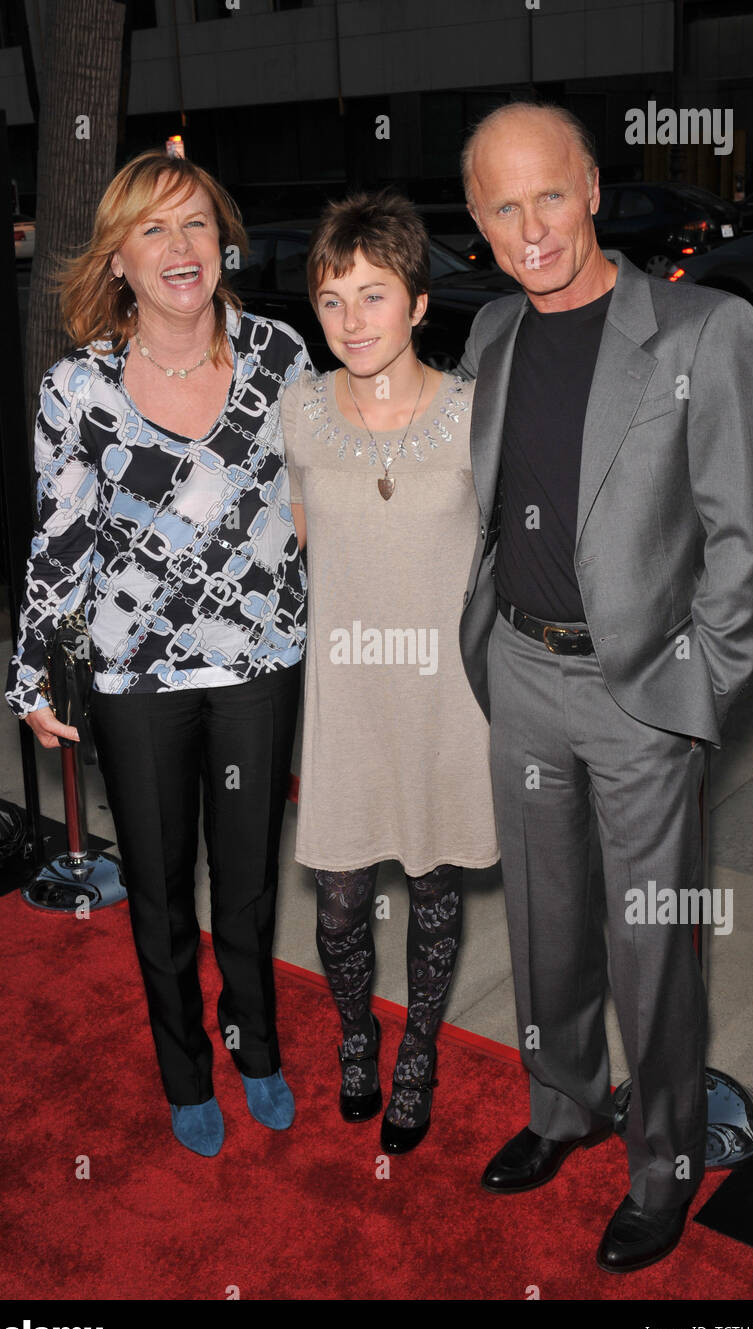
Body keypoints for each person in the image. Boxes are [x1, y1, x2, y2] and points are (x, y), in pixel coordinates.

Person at [457, 102, 753, 1270]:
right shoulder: (492, 331)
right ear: (480, 223)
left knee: (652, 948)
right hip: (522, 669)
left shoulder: (705, 331)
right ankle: (561, 1107)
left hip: (641, 691)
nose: (529, 224)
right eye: (501, 204)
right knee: (547, 929)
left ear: (593, 189)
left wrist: (690, 697)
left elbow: (746, 545)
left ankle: (665, 1165)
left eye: (549, 193)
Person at [5, 151, 310, 1157]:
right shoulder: (76, 386)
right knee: (162, 884)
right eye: (153, 232)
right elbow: (61, 538)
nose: (181, 250)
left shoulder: (279, 355)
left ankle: (256, 1046)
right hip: (134, 676)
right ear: (119, 261)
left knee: (252, 881)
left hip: (261, 662)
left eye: (195, 226)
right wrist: (38, 667)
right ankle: (186, 1070)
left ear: (222, 242)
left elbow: (321, 497)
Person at [280, 190, 498, 1153]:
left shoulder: (472, 414)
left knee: (435, 887)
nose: (351, 321)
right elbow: (289, 544)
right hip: (345, 695)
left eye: (373, 296)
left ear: (417, 301)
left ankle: (418, 1053)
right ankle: (356, 1033)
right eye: (331, 300)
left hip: (443, 697)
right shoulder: (295, 412)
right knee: (337, 898)